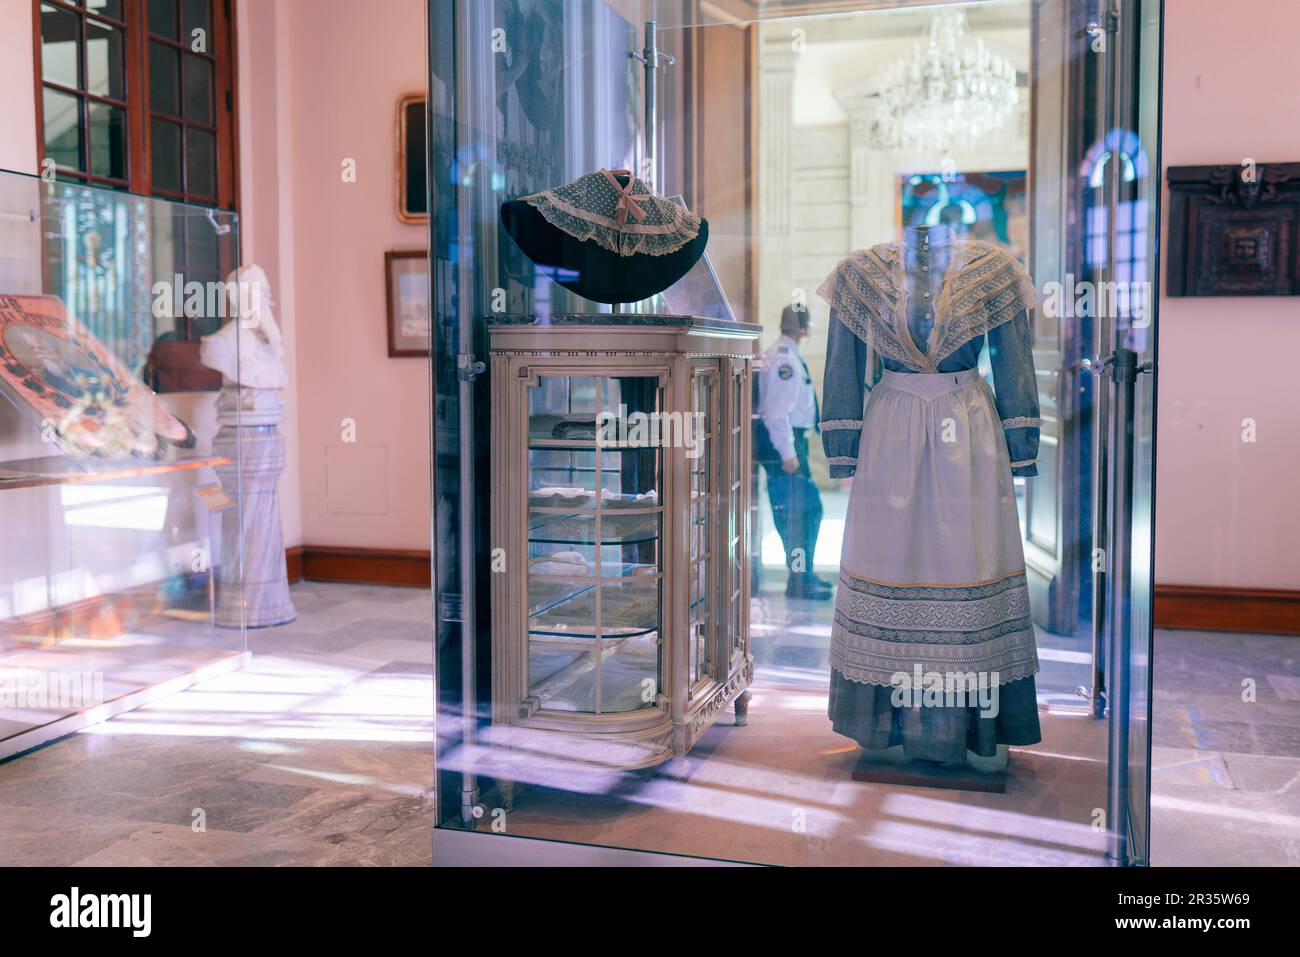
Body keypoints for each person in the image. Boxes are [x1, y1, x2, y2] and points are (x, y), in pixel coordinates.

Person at [755, 304, 833, 600]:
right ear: (804, 327)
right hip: (782, 444)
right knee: (801, 510)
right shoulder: (783, 360)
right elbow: (776, 413)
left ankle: (802, 577)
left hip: (787, 440)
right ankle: (801, 580)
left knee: (802, 510)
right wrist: (788, 454)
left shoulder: (785, 354)